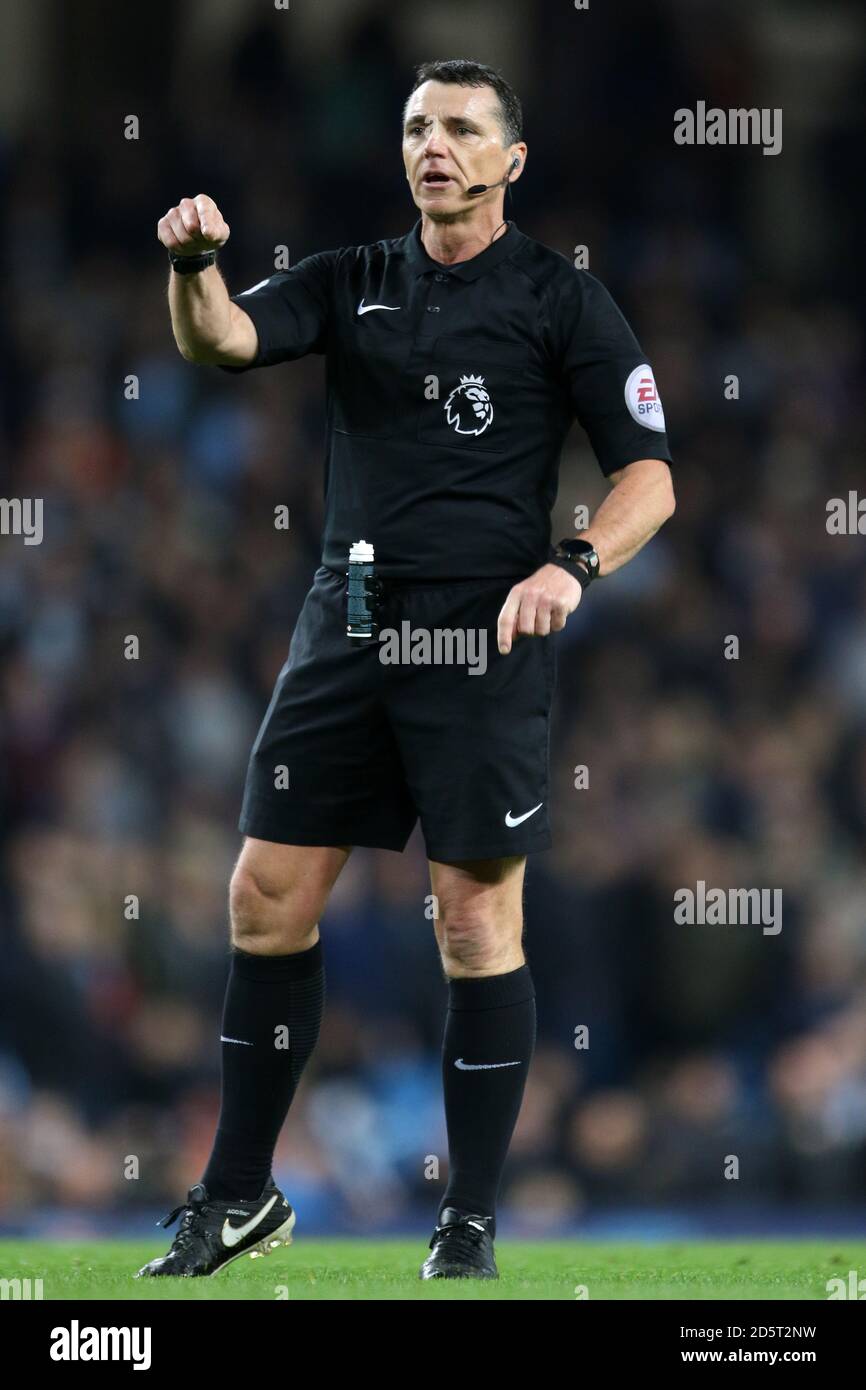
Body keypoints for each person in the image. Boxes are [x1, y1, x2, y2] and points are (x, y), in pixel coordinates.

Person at [138, 57, 675, 1282]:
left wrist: (573, 564)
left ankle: (470, 1217)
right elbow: (222, 339)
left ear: (510, 160)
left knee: (474, 921)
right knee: (262, 895)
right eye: (417, 126)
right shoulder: (351, 280)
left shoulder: (562, 299)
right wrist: (192, 263)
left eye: (462, 129)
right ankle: (238, 1196)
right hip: (353, 608)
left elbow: (650, 471)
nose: (434, 145)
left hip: (484, 632)